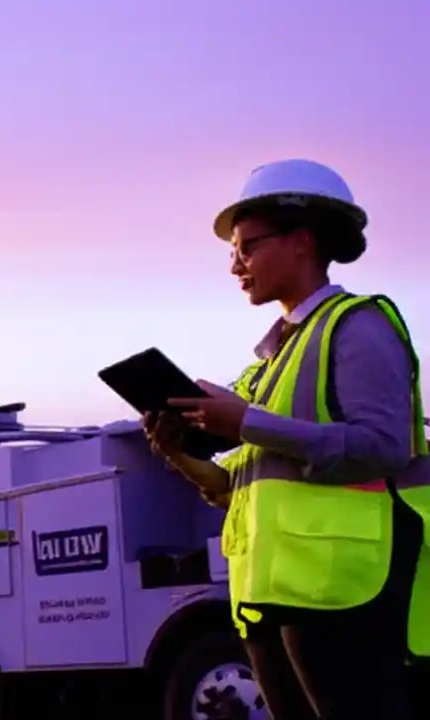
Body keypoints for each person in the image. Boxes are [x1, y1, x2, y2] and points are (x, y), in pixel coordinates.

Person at [144, 158, 430, 719]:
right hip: (277, 593)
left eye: (246, 248)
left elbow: (383, 447)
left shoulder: (359, 325)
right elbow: (242, 484)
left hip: (345, 587)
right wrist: (178, 451)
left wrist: (244, 422)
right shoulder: (271, 362)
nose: (235, 265)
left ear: (301, 241)